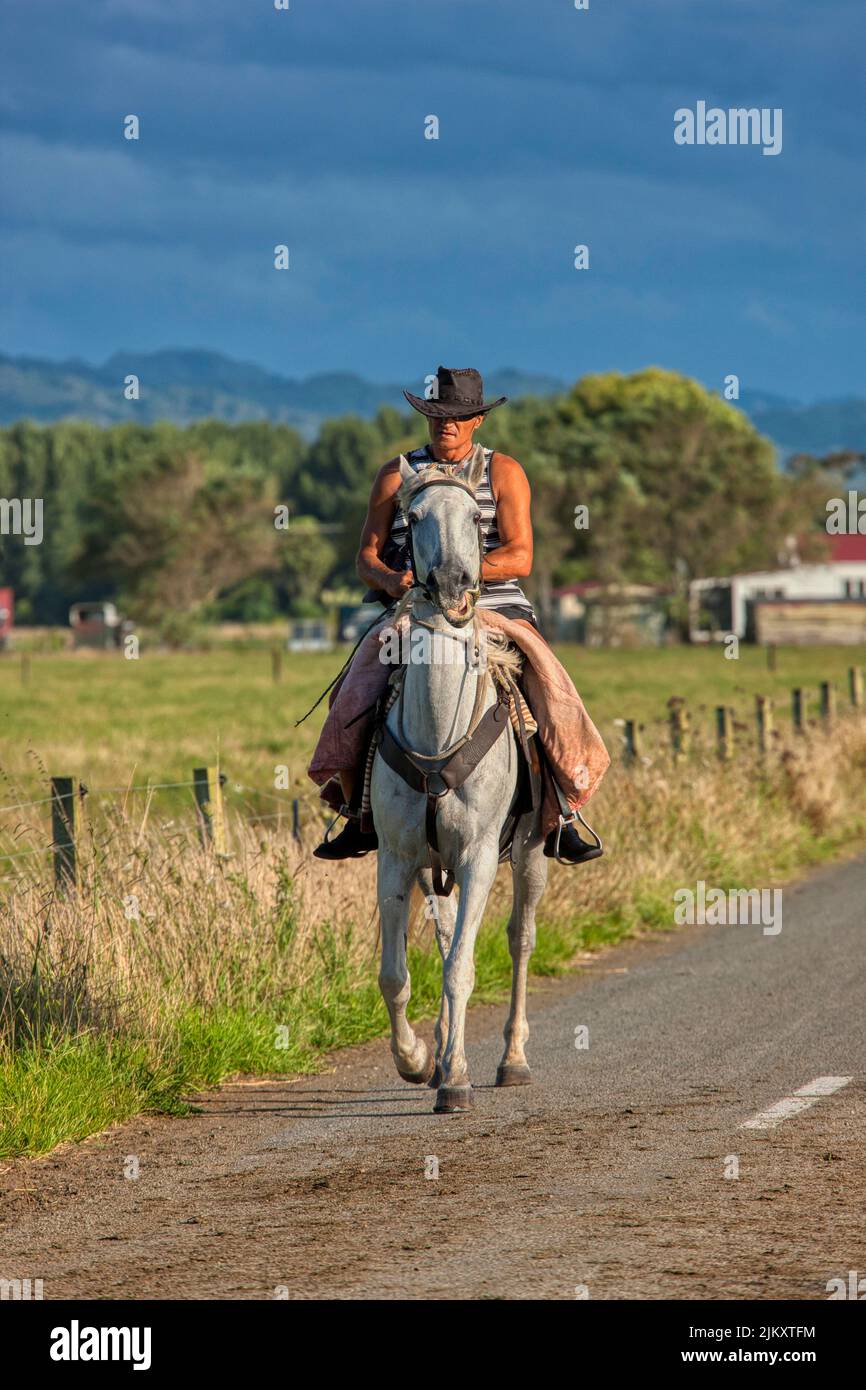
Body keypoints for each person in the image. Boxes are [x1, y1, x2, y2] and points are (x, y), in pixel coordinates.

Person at [308, 365, 610, 863]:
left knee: (547, 688)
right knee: (352, 691)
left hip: (493, 607)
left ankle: (562, 813)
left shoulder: (504, 472)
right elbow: (367, 554)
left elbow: (520, 555)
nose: (446, 424)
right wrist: (389, 579)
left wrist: (461, 574)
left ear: (478, 420)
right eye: (436, 415)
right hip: (413, 607)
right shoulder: (395, 473)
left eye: (458, 415)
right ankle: (359, 811)